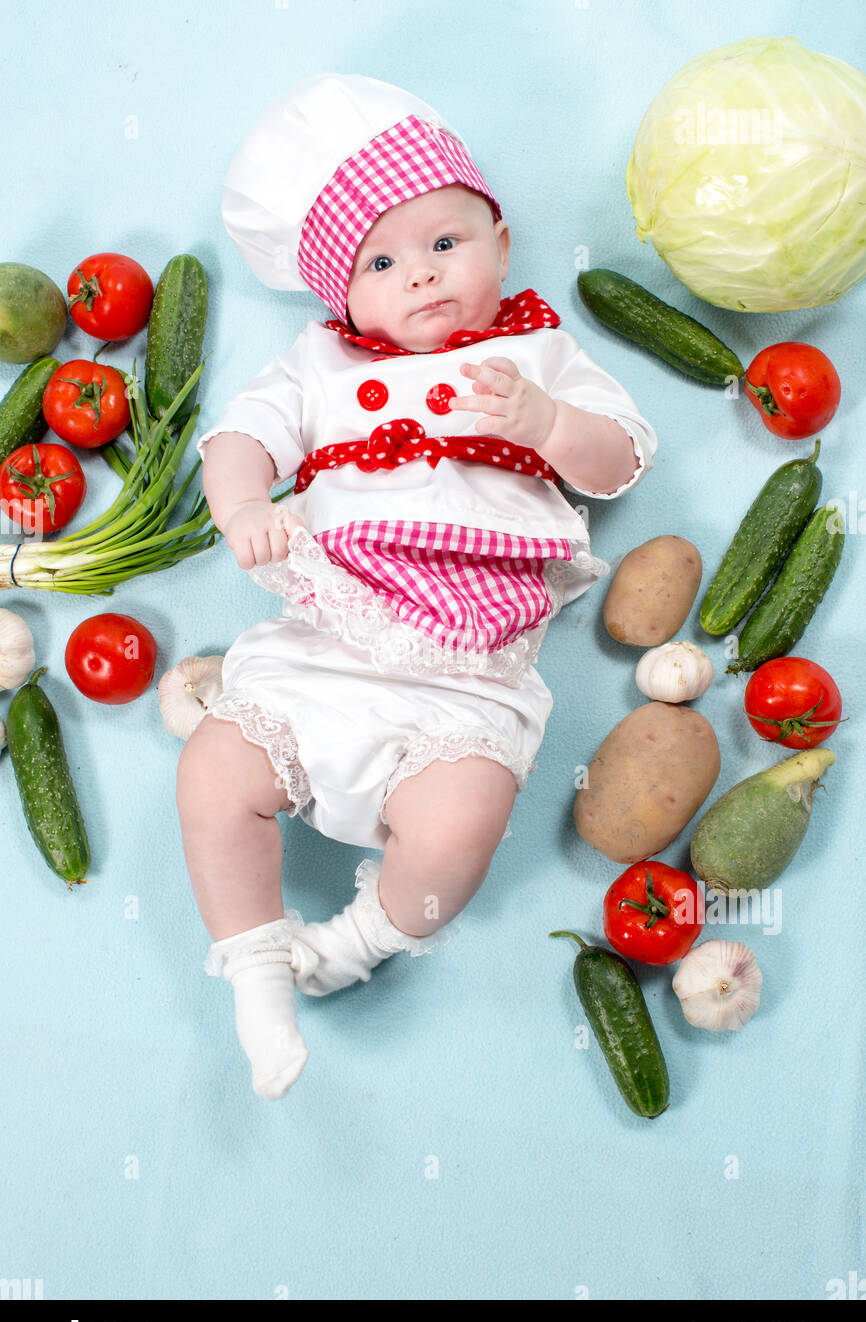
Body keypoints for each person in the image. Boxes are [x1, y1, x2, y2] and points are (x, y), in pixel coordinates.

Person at [176, 73, 658, 1100]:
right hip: (328, 642)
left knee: (457, 834)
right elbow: (239, 439)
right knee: (214, 780)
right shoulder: (318, 364)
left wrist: (544, 426)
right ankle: (255, 970)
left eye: (447, 242)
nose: (423, 276)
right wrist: (243, 507)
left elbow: (618, 462)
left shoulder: (539, 352)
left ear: (501, 240)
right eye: (382, 263)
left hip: (465, 680)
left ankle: (356, 940)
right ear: (337, 297)